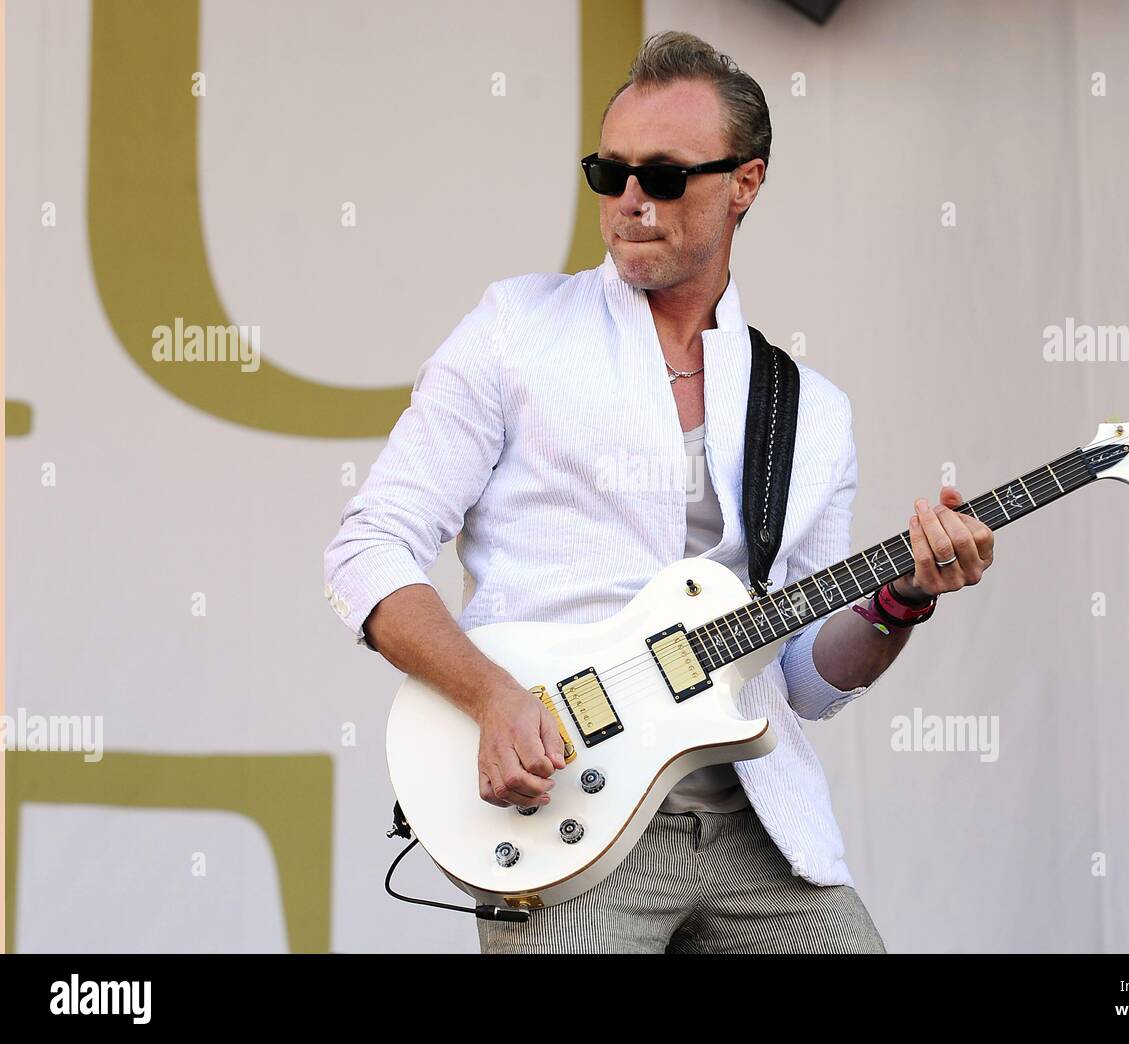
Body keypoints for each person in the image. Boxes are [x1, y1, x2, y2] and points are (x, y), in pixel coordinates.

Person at [323, 30, 994, 954]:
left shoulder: (813, 412)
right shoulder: (515, 332)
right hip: (567, 825)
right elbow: (367, 550)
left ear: (745, 183)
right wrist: (490, 698)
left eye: (666, 177)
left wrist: (901, 598)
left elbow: (802, 677)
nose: (631, 202)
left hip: (761, 831)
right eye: (611, 172)